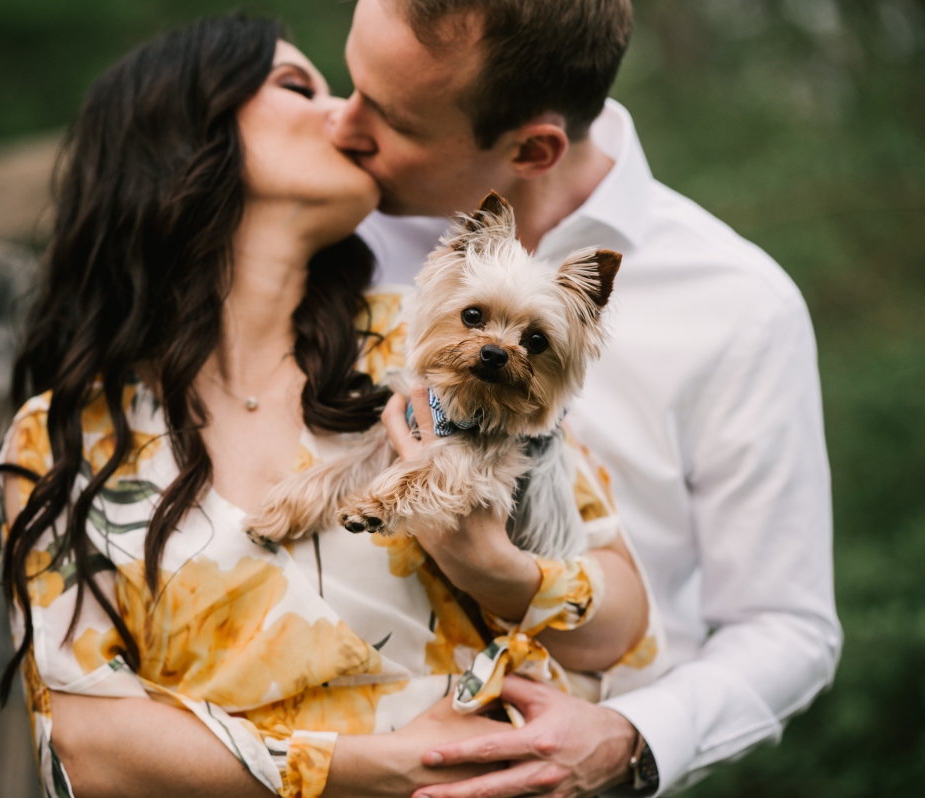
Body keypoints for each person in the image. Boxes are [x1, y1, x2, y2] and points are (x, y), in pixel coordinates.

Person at [0, 15, 664, 798]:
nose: (345, 115)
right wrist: (376, 767)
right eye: (299, 87)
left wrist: (498, 570)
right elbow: (87, 747)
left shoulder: (424, 347)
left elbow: (622, 625)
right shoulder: (69, 437)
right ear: (182, 135)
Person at [334, 1, 842, 796]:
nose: (341, 126)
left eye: (391, 116)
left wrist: (631, 738)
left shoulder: (740, 306)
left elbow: (787, 626)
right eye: (350, 83)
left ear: (533, 149)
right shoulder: (333, 231)